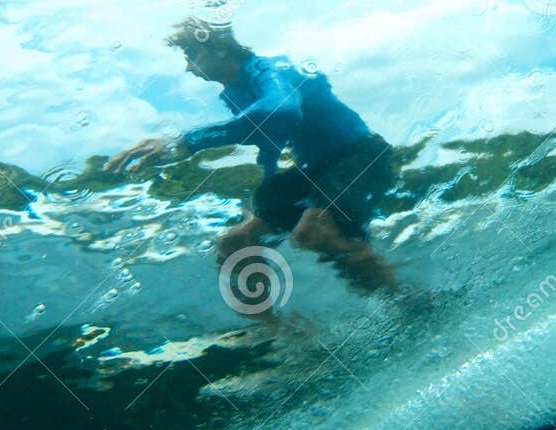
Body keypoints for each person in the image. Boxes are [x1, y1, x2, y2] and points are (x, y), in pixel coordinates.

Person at [105, 20, 398, 294]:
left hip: (362, 156)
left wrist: (186, 142)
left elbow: (281, 110)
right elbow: (270, 145)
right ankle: (281, 333)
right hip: (318, 169)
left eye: (192, 54)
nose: (188, 66)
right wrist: (262, 206)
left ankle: (400, 296)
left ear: (220, 48)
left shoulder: (270, 69)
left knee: (312, 232)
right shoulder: (233, 95)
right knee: (234, 242)